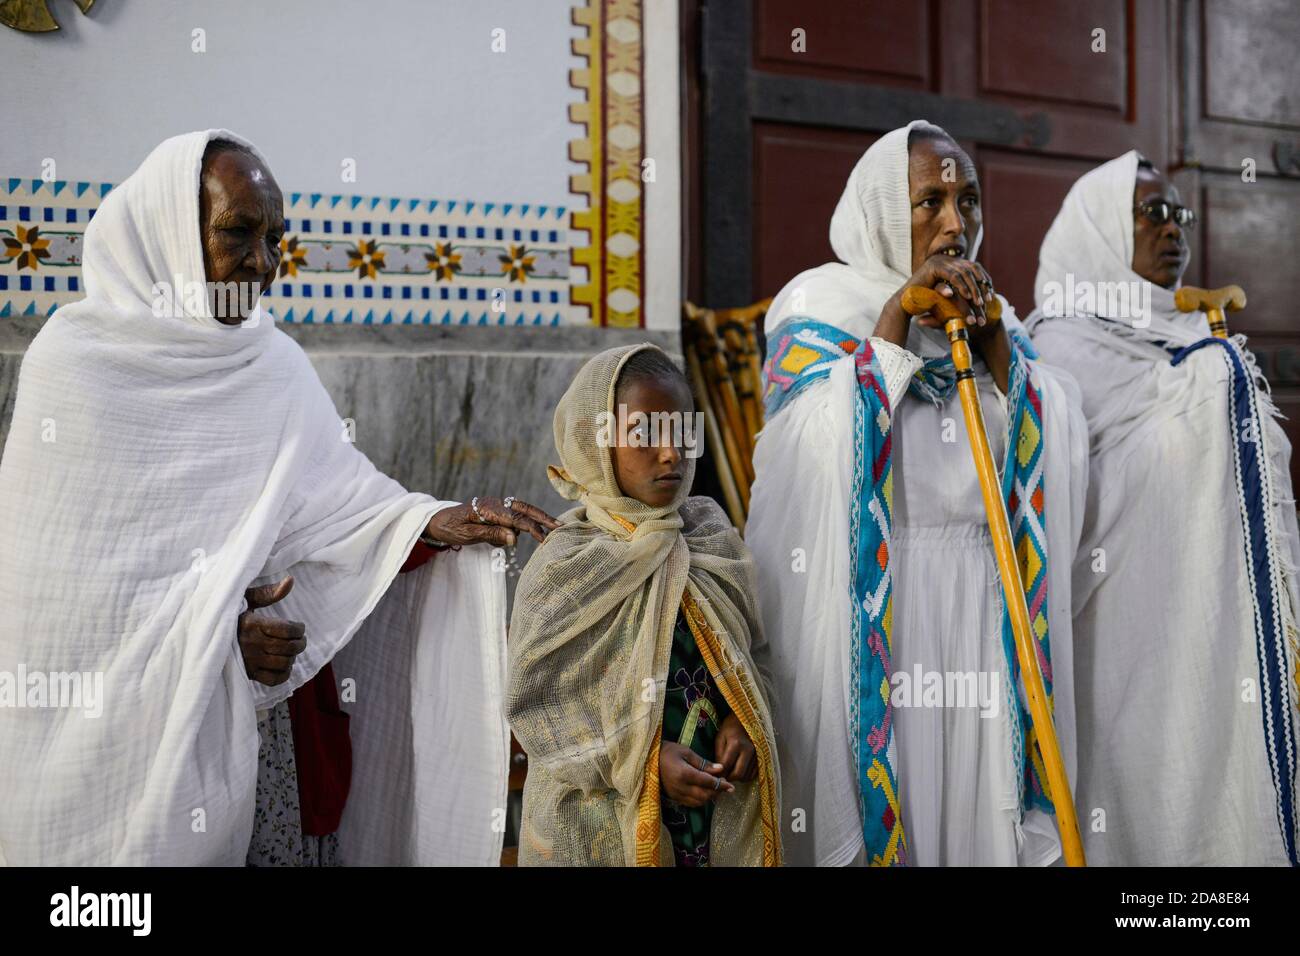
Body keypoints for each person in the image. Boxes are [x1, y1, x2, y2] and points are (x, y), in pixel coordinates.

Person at [0, 130, 558, 866]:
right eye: (238, 233)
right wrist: (222, 640)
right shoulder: (77, 368)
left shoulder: (275, 365)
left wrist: (429, 522)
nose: (262, 264)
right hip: (115, 755)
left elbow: (347, 512)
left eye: (275, 240)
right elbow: (56, 615)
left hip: (264, 740)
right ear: (168, 232)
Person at [745, 120, 1088, 866]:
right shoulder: (819, 306)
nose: (955, 223)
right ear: (880, 212)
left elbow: (1058, 443)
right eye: (929, 201)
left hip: (984, 605)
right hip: (883, 607)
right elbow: (804, 451)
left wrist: (996, 346)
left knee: (979, 810)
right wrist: (898, 317)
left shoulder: (998, 320)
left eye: (967, 200)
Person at [1026, 152, 1300, 866]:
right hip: (1116, 624)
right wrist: (1209, 393)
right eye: (1150, 213)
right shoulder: (1059, 346)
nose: (1172, 229)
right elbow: (1060, 494)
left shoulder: (1194, 339)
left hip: (1209, 627)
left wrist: (1212, 383)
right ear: (1099, 230)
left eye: (1179, 214)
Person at [507, 344, 781, 866]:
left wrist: (742, 721)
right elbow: (538, 704)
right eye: (645, 434)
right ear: (596, 443)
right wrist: (645, 762)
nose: (671, 453)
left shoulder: (709, 537)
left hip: (708, 818)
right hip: (598, 824)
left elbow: (756, 655)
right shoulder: (568, 563)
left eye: (682, 432)